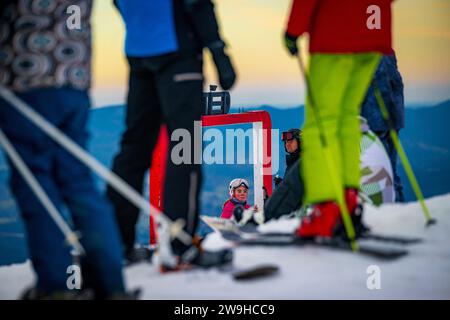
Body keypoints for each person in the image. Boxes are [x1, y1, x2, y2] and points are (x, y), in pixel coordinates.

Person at [0, 0, 126, 299]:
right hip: (74, 81)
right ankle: (111, 284)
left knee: (36, 186)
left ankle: (55, 285)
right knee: (78, 182)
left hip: (26, 78)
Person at [107, 0, 236, 270]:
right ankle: (181, 247)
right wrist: (218, 52)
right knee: (184, 146)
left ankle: (115, 244)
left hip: (138, 48)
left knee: (134, 147)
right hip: (178, 50)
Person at [284, 0, 393, 239]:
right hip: (375, 35)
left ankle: (327, 209)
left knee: (321, 125)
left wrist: (293, 30)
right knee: (346, 119)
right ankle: (349, 201)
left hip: (335, 36)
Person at [361, 53, 405, 202]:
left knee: (378, 172)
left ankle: (383, 212)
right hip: (392, 114)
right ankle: (397, 209)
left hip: (375, 120)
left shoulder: (368, 51)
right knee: (390, 172)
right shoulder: (385, 47)